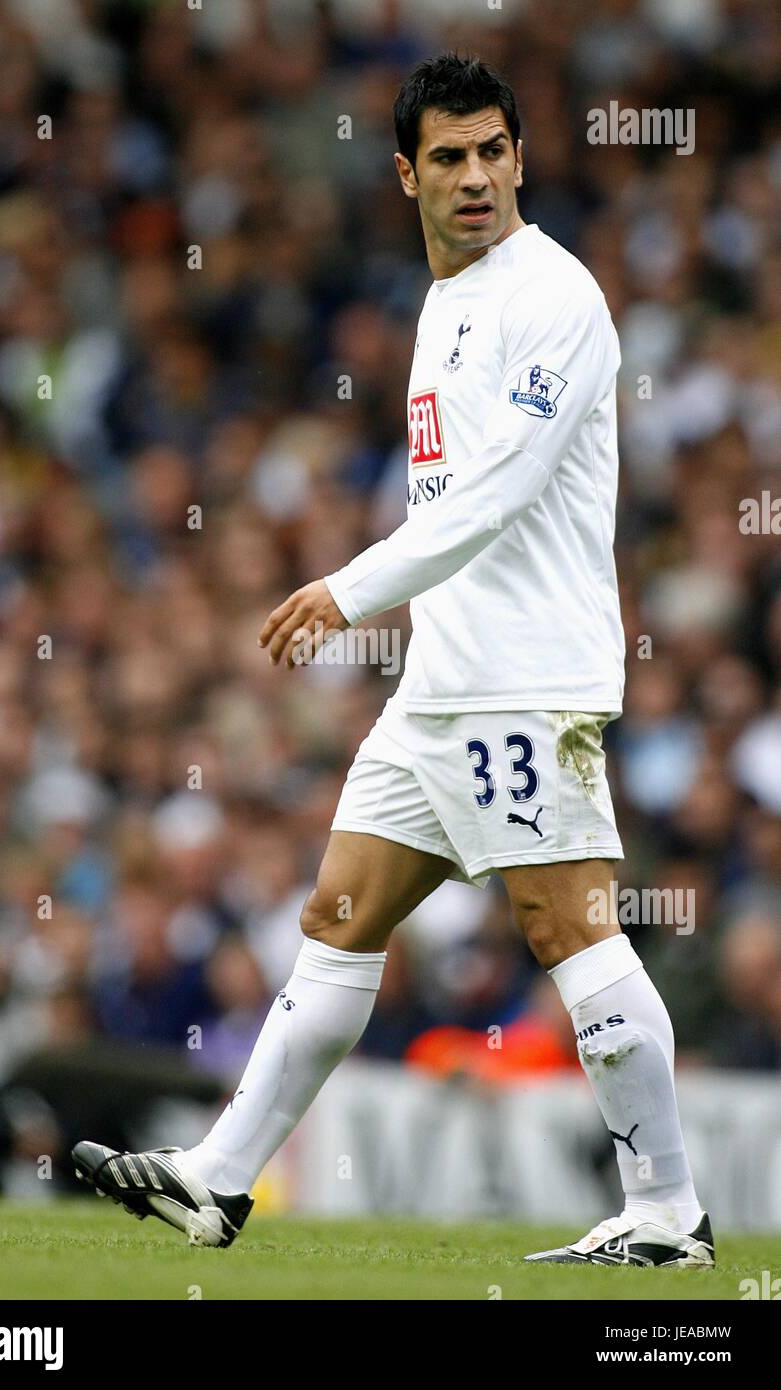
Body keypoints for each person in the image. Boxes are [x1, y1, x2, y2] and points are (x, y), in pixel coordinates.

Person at [73, 54, 713, 1269]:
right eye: (449, 156)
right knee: (337, 912)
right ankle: (218, 1178)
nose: (473, 177)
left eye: (492, 151)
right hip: (439, 684)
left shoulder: (554, 296)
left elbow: (497, 492)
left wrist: (347, 590)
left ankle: (668, 1212)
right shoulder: (446, 298)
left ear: (520, 158)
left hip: (524, 675)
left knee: (568, 929)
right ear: (405, 173)